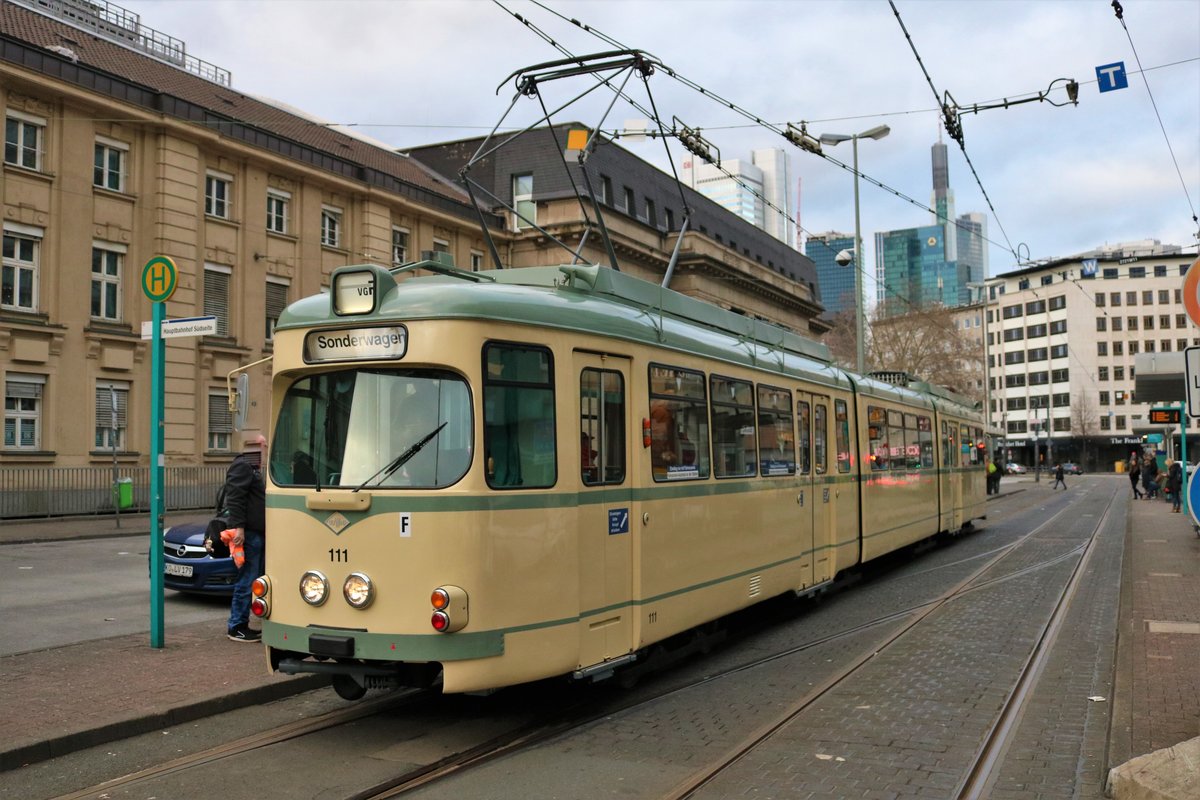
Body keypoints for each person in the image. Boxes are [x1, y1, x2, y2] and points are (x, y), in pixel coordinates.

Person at [224, 432, 267, 642]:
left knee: (252, 579)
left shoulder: (252, 467)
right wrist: (239, 528)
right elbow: (235, 497)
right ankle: (237, 626)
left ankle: (241, 623)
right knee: (247, 579)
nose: (265, 449)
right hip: (249, 534)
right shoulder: (243, 466)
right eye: (263, 445)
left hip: (254, 533)